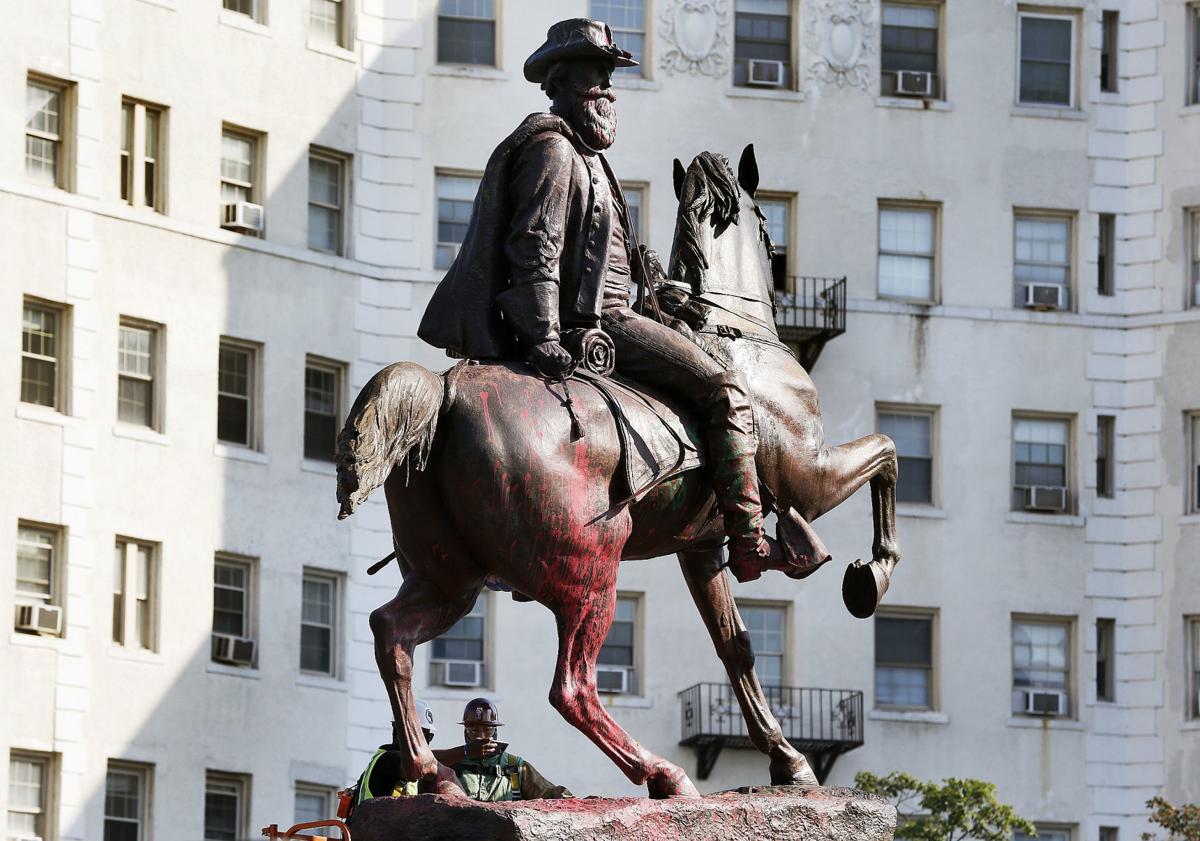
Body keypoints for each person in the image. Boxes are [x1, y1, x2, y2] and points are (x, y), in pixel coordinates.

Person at [417, 18, 774, 581]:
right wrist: (544, 336)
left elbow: (597, 255)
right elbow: (535, 243)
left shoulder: (588, 157)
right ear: (560, 80)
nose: (608, 88)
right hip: (599, 325)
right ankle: (749, 534)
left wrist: (659, 292)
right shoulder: (553, 150)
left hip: (617, 310)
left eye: (611, 75)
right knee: (724, 387)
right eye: (596, 74)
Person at [432, 698, 571, 801]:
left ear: (495, 731)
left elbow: (549, 793)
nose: (481, 736)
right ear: (465, 731)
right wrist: (465, 752)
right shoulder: (450, 764)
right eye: (473, 730)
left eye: (488, 730)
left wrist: (573, 801)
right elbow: (423, 761)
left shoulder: (515, 766)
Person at [347, 700, 460, 811]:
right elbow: (421, 763)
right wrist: (466, 751)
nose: (426, 743)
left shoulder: (399, 766)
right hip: (374, 828)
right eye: (425, 736)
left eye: (429, 737)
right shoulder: (389, 761)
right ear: (404, 732)